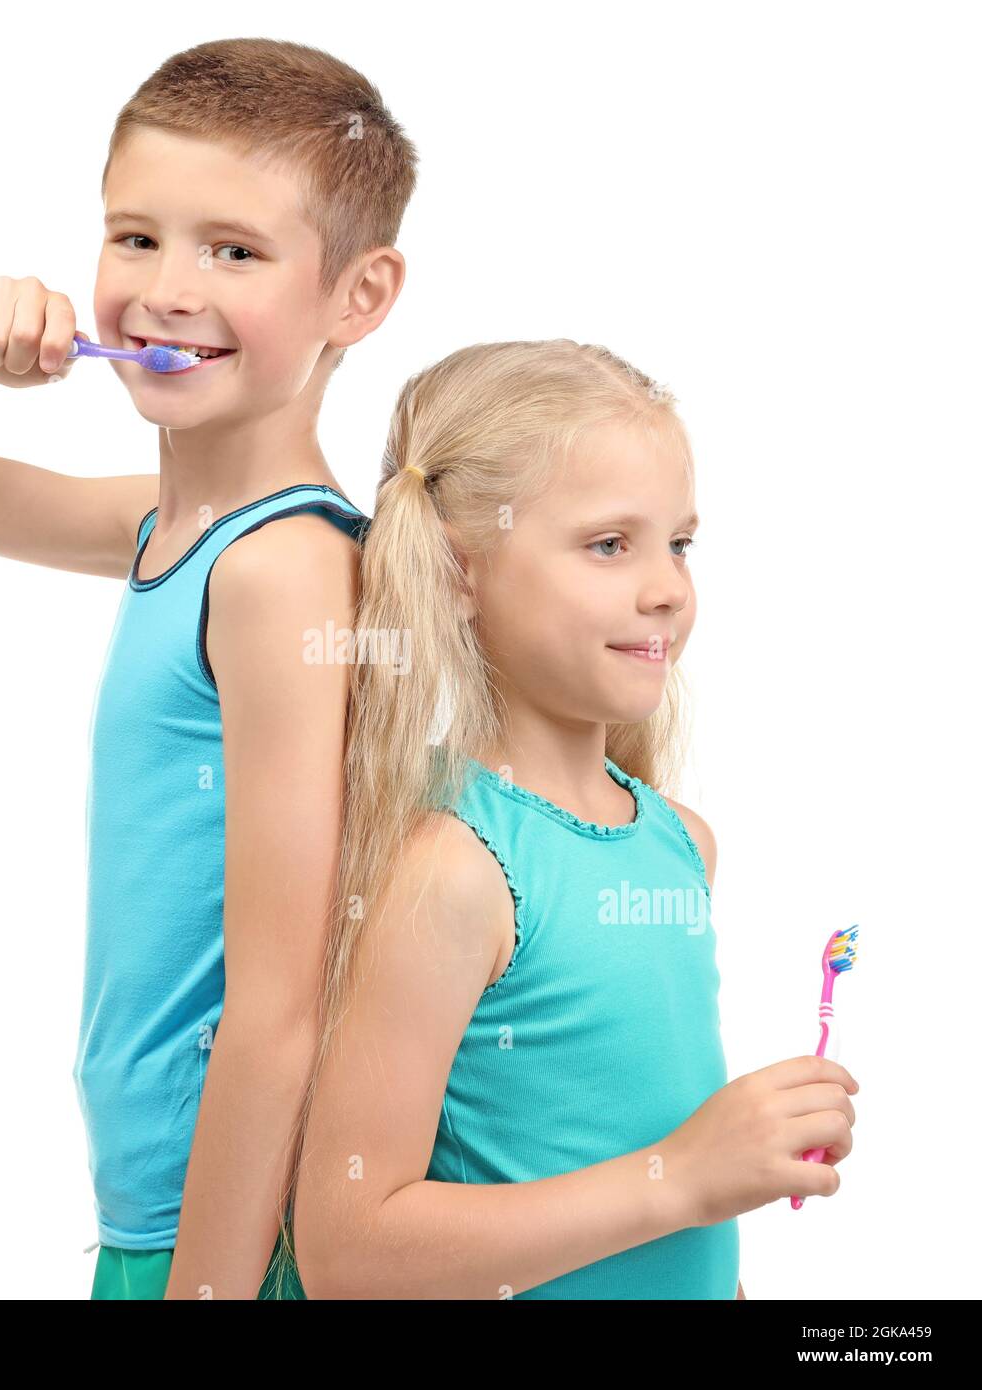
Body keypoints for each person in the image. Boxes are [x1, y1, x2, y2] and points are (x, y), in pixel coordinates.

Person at [0, 37, 418, 1300]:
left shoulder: (280, 575)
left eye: (235, 251)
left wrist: (202, 1285)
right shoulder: (168, 535)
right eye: (135, 237)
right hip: (162, 1208)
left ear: (359, 298)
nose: (166, 289)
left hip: (237, 1239)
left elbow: (281, 1006)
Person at [289, 340, 859, 1298]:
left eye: (677, 543)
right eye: (609, 544)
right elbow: (349, 1250)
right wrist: (680, 1176)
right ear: (457, 573)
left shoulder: (680, 843)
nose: (666, 588)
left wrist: (720, 1174)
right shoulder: (453, 867)